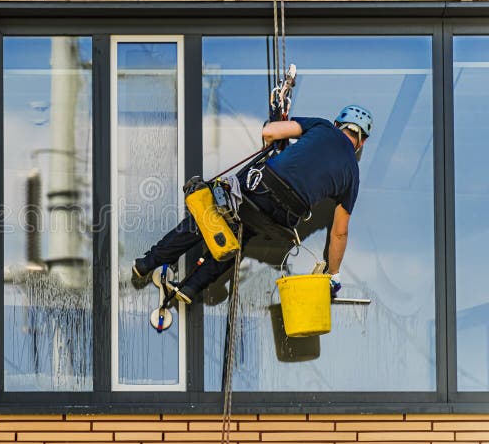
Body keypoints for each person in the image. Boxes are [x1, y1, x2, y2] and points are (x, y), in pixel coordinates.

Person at [132, 105, 373, 303]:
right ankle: (192, 287)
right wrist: (333, 274)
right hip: (284, 219)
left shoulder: (321, 126)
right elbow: (340, 232)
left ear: (337, 124)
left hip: (260, 188)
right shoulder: (352, 174)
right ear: (360, 143)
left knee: (208, 217)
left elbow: (270, 132)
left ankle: (148, 263)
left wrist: (286, 149)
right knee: (238, 237)